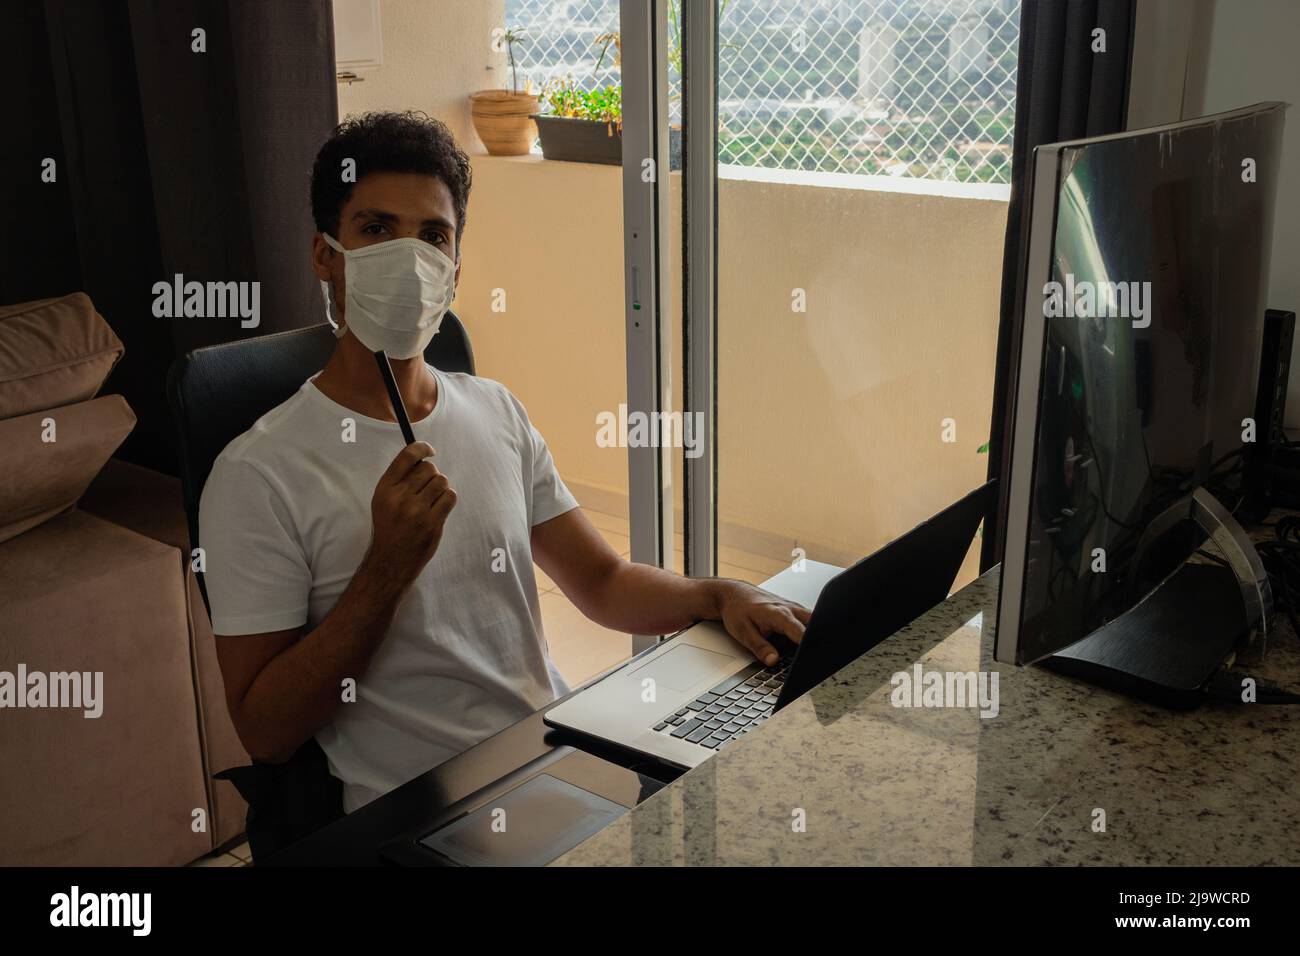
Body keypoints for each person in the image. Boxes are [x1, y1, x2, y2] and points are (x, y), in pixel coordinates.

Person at [199, 111, 809, 814]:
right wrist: (386, 569)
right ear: (324, 254)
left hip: (561, 751)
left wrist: (718, 595)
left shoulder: (494, 409)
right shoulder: (259, 473)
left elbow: (603, 582)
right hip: (430, 806)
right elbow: (265, 733)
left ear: (454, 272)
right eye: (375, 229)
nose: (408, 257)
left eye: (432, 236)